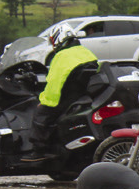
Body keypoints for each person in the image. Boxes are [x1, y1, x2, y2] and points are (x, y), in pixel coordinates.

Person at [24, 22, 98, 161]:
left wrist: (43, 102)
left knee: (41, 113)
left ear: (58, 39)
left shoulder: (62, 56)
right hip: (83, 96)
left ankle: (39, 150)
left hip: (67, 98)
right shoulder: (86, 52)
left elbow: (54, 85)